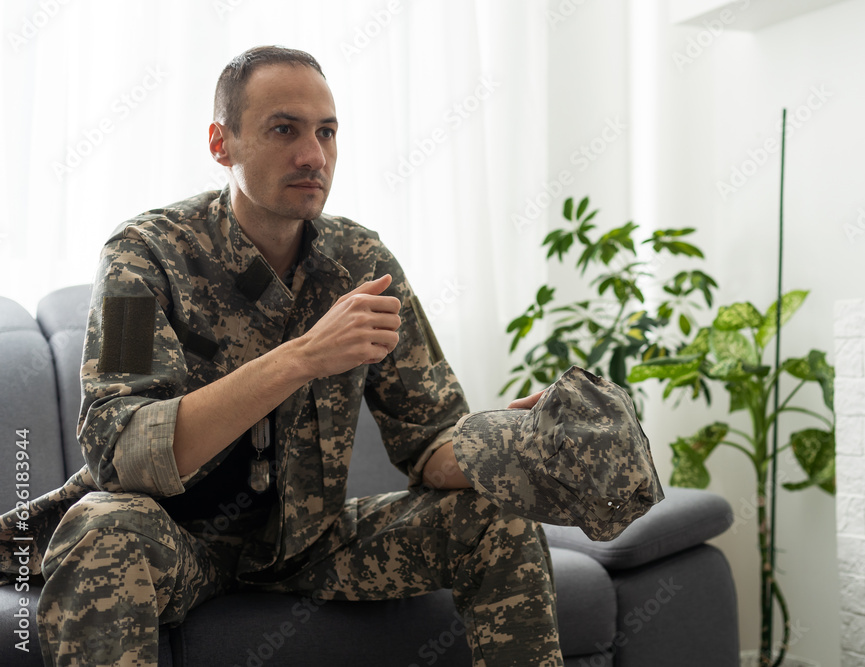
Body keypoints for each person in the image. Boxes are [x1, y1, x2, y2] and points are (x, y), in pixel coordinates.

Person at [2, 45, 562, 666]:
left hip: (309, 543)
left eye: (326, 133)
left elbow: (430, 440)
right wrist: (302, 358)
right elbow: (120, 450)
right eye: (283, 130)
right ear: (222, 143)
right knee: (102, 529)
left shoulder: (363, 264)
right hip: (175, 542)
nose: (313, 156)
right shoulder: (142, 257)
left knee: (497, 518)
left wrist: (511, 441)